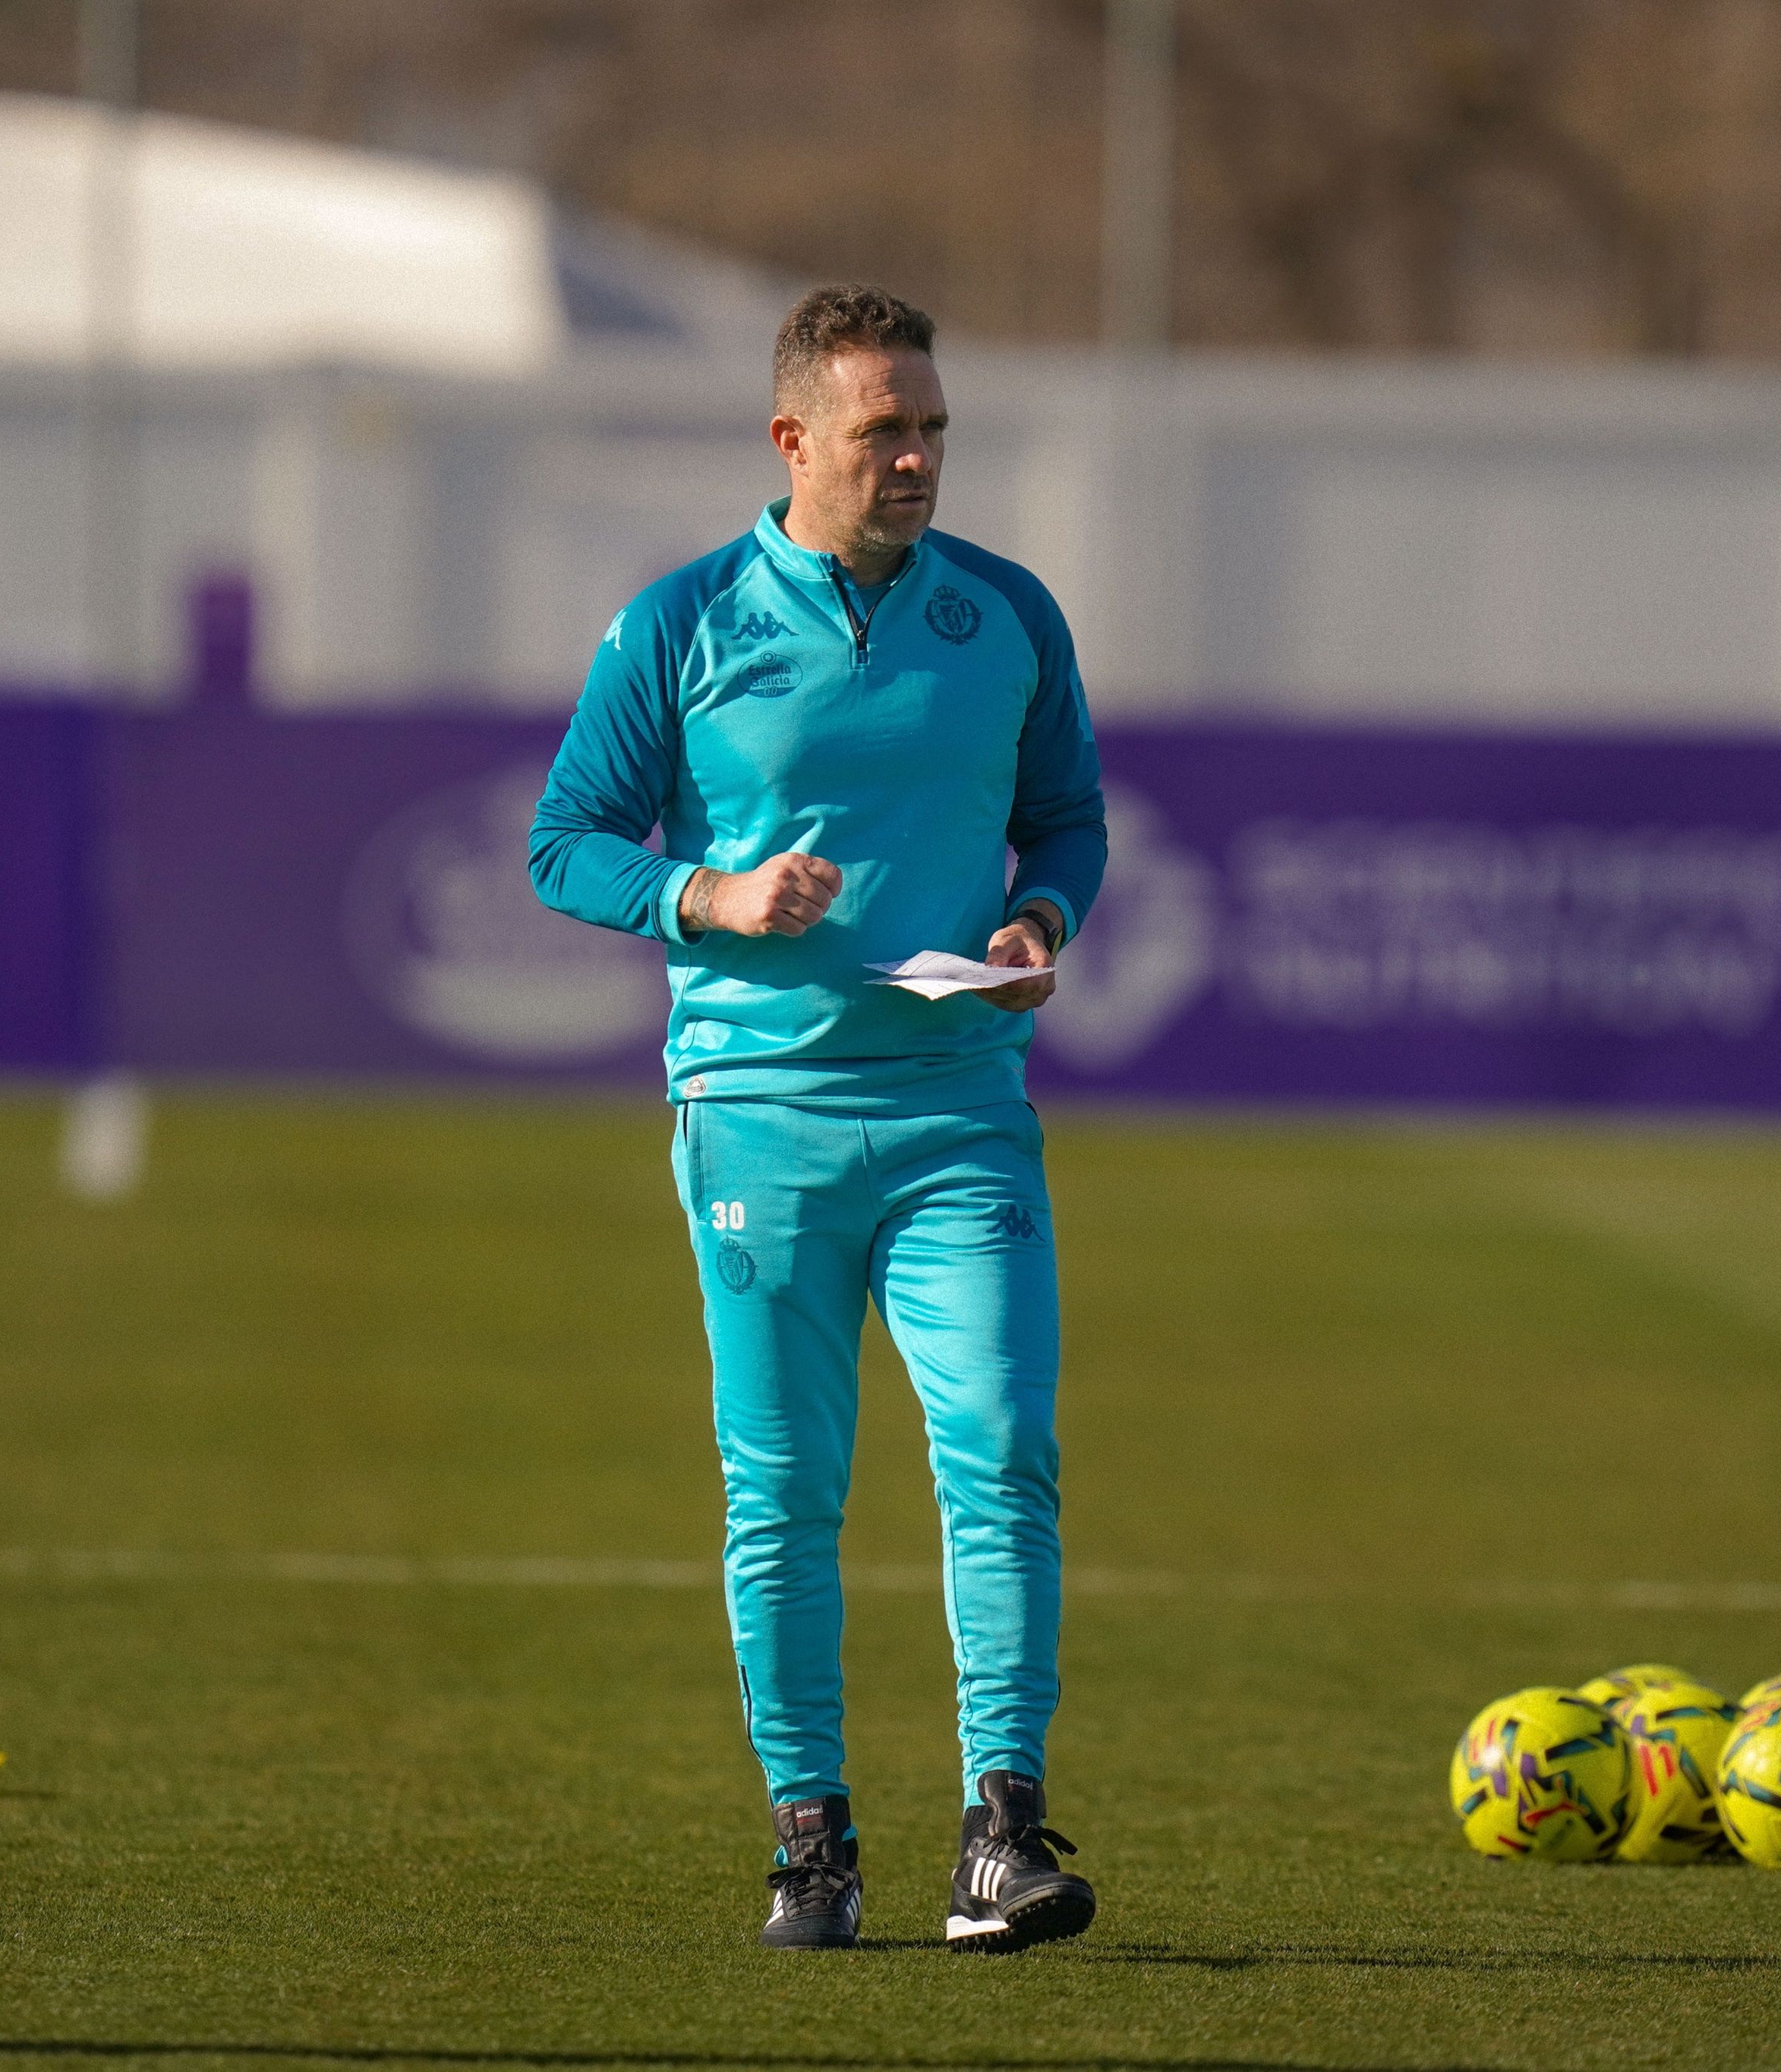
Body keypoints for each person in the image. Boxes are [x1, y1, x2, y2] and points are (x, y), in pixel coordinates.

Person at [528, 285, 1107, 1954]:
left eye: (930, 427)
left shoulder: (1004, 614)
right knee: (780, 1493)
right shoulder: (681, 621)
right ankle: (811, 1840)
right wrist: (711, 894)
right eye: (883, 431)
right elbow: (564, 845)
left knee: (1002, 1454)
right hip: (756, 1112)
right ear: (792, 440)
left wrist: (1038, 928)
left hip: (957, 1112)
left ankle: (1001, 1835)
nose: (916, 457)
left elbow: (1065, 820)